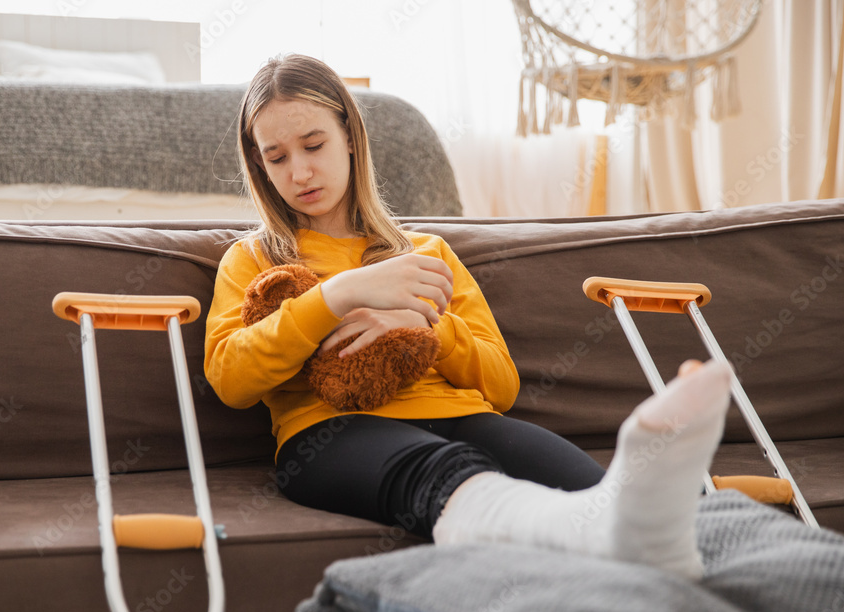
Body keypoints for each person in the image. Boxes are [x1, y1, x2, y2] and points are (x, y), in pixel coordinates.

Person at [204, 53, 733, 581]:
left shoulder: (427, 252)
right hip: (328, 435)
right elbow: (231, 378)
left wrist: (423, 326)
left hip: (460, 417)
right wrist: (338, 294)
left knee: (594, 492)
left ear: (349, 135)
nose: (299, 172)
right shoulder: (252, 260)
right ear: (259, 165)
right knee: (444, 470)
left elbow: (500, 387)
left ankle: (670, 556)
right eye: (276, 157)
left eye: (313, 145)